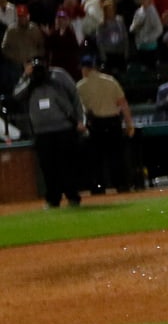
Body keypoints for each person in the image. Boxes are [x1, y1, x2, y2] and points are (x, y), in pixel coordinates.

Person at [12, 55, 85, 209]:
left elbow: (75, 97)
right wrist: (28, 77)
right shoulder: (27, 80)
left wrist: (80, 121)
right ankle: (53, 199)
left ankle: (73, 197)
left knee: (67, 165)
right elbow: (17, 96)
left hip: (64, 128)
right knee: (47, 168)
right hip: (42, 131)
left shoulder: (59, 75)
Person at [77, 54, 135, 195]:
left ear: (84, 69)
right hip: (113, 122)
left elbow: (79, 109)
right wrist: (129, 124)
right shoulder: (110, 81)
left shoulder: (80, 86)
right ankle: (122, 185)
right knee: (116, 157)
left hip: (95, 124)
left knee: (96, 159)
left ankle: (98, 187)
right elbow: (123, 104)